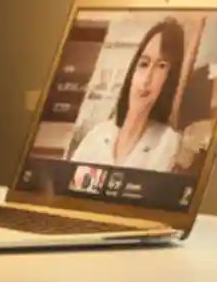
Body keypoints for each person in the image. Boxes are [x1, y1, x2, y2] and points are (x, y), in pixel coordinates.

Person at [69, 18, 186, 172]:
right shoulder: (98, 134)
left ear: (170, 78)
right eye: (144, 64)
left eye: (161, 66)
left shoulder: (168, 142)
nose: (147, 78)